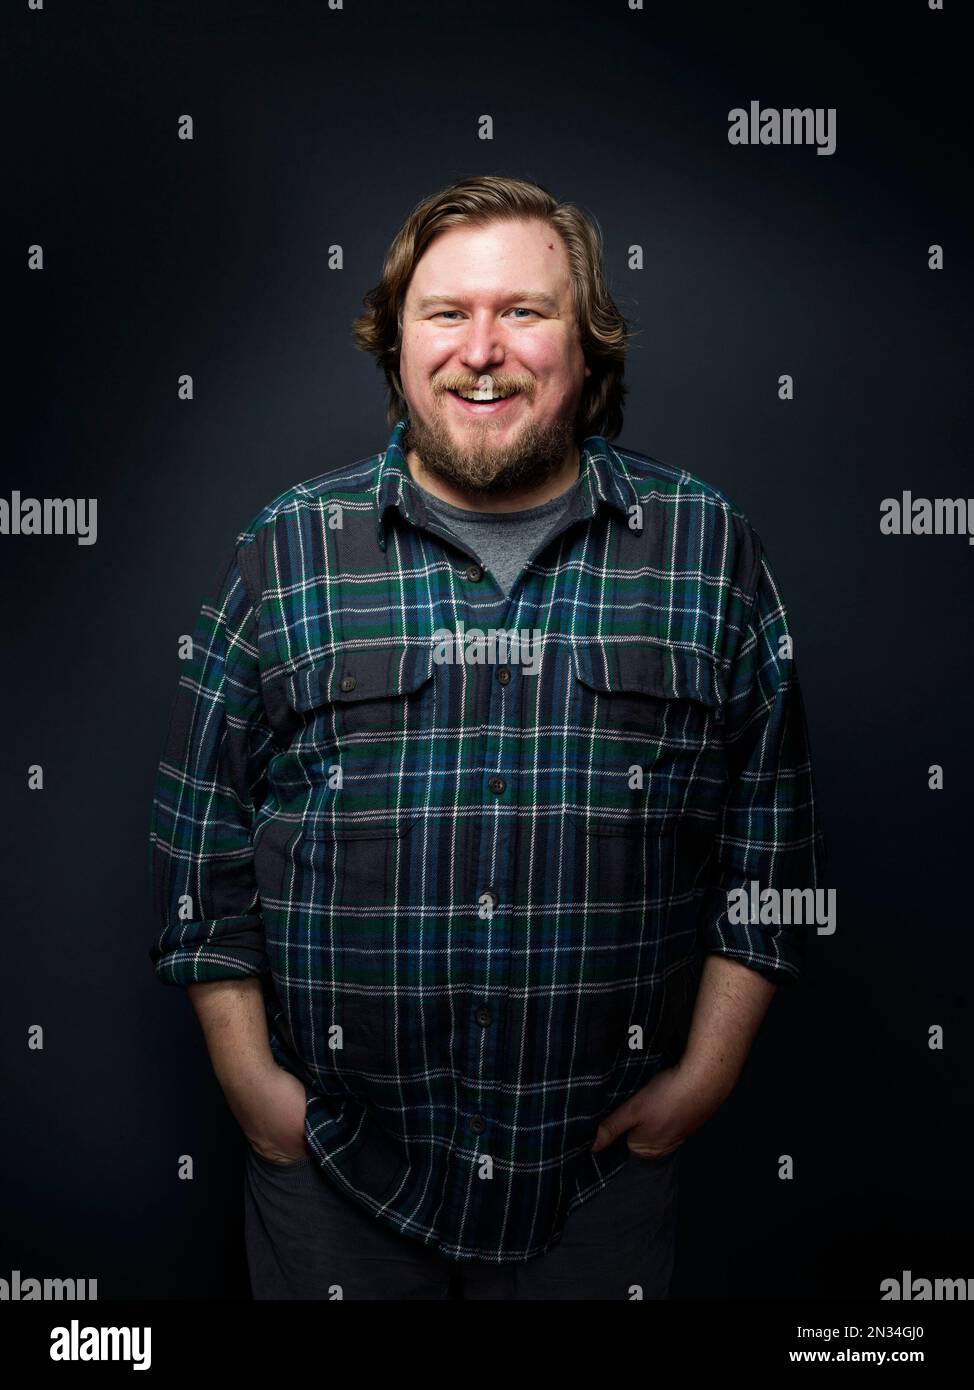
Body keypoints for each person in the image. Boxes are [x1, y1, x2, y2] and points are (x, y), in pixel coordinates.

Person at [148, 173, 826, 1300]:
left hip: (598, 1177)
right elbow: (197, 837)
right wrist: (251, 1085)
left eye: (523, 311)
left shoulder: (707, 549)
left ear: (587, 341)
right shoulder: (286, 550)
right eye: (445, 313)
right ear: (397, 341)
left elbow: (774, 844)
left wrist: (704, 1076)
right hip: (333, 1174)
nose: (481, 349)